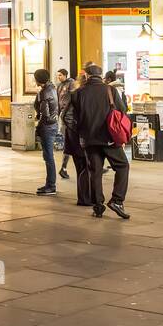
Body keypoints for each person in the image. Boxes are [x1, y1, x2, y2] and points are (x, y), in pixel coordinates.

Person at [67, 64, 129, 219]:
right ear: (101, 76)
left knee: (95, 172)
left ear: (87, 76)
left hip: (89, 140)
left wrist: (81, 131)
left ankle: (98, 206)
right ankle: (117, 200)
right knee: (122, 166)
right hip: (109, 138)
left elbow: (67, 117)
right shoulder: (110, 90)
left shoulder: (77, 93)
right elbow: (122, 110)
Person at [60, 73, 92, 207]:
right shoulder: (77, 94)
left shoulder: (79, 94)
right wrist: (78, 130)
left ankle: (85, 197)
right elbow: (66, 116)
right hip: (78, 138)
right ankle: (84, 198)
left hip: (76, 137)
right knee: (83, 167)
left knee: (83, 168)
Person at [33, 68, 59, 196]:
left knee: (48, 157)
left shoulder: (44, 93)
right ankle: (50, 184)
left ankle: (51, 186)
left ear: (38, 79)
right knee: (49, 156)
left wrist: (38, 128)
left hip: (47, 127)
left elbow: (45, 114)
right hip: (54, 125)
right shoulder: (53, 88)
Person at [55, 69, 74, 180]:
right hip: (64, 116)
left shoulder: (71, 84)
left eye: (61, 75)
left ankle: (64, 167)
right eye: (58, 75)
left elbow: (71, 100)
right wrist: (58, 114)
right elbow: (59, 101)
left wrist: (64, 112)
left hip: (70, 116)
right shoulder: (59, 86)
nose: (59, 77)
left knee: (70, 142)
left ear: (66, 75)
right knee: (69, 142)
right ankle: (64, 167)